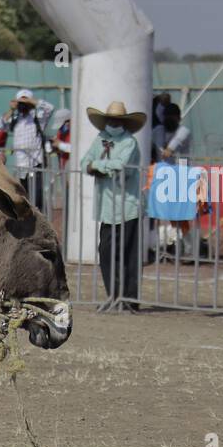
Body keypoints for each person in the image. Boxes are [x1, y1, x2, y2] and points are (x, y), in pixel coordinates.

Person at [81, 100, 147, 310]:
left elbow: (121, 167)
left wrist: (97, 166)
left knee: (128, 254)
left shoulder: (130, 142)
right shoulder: (101, 138)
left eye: (117, 120)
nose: (113, 123)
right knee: (107, 251)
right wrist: (96, 166)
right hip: (106, 208)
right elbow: (85, 163)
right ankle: (114, 295)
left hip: (127, 206)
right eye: (110, 119)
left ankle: (129, 300)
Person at [0, 88, 54, 211]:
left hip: (35, 164)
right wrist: (12, 109)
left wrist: (30, 101)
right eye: (20, 102)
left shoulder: (37, 117)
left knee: (37, 199)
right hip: (21, 166)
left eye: (25, 102)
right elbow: (0, 126)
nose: (22, 105)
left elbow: (49, 108)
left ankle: (41, 221)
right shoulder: (15, 119)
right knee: (25, 198)